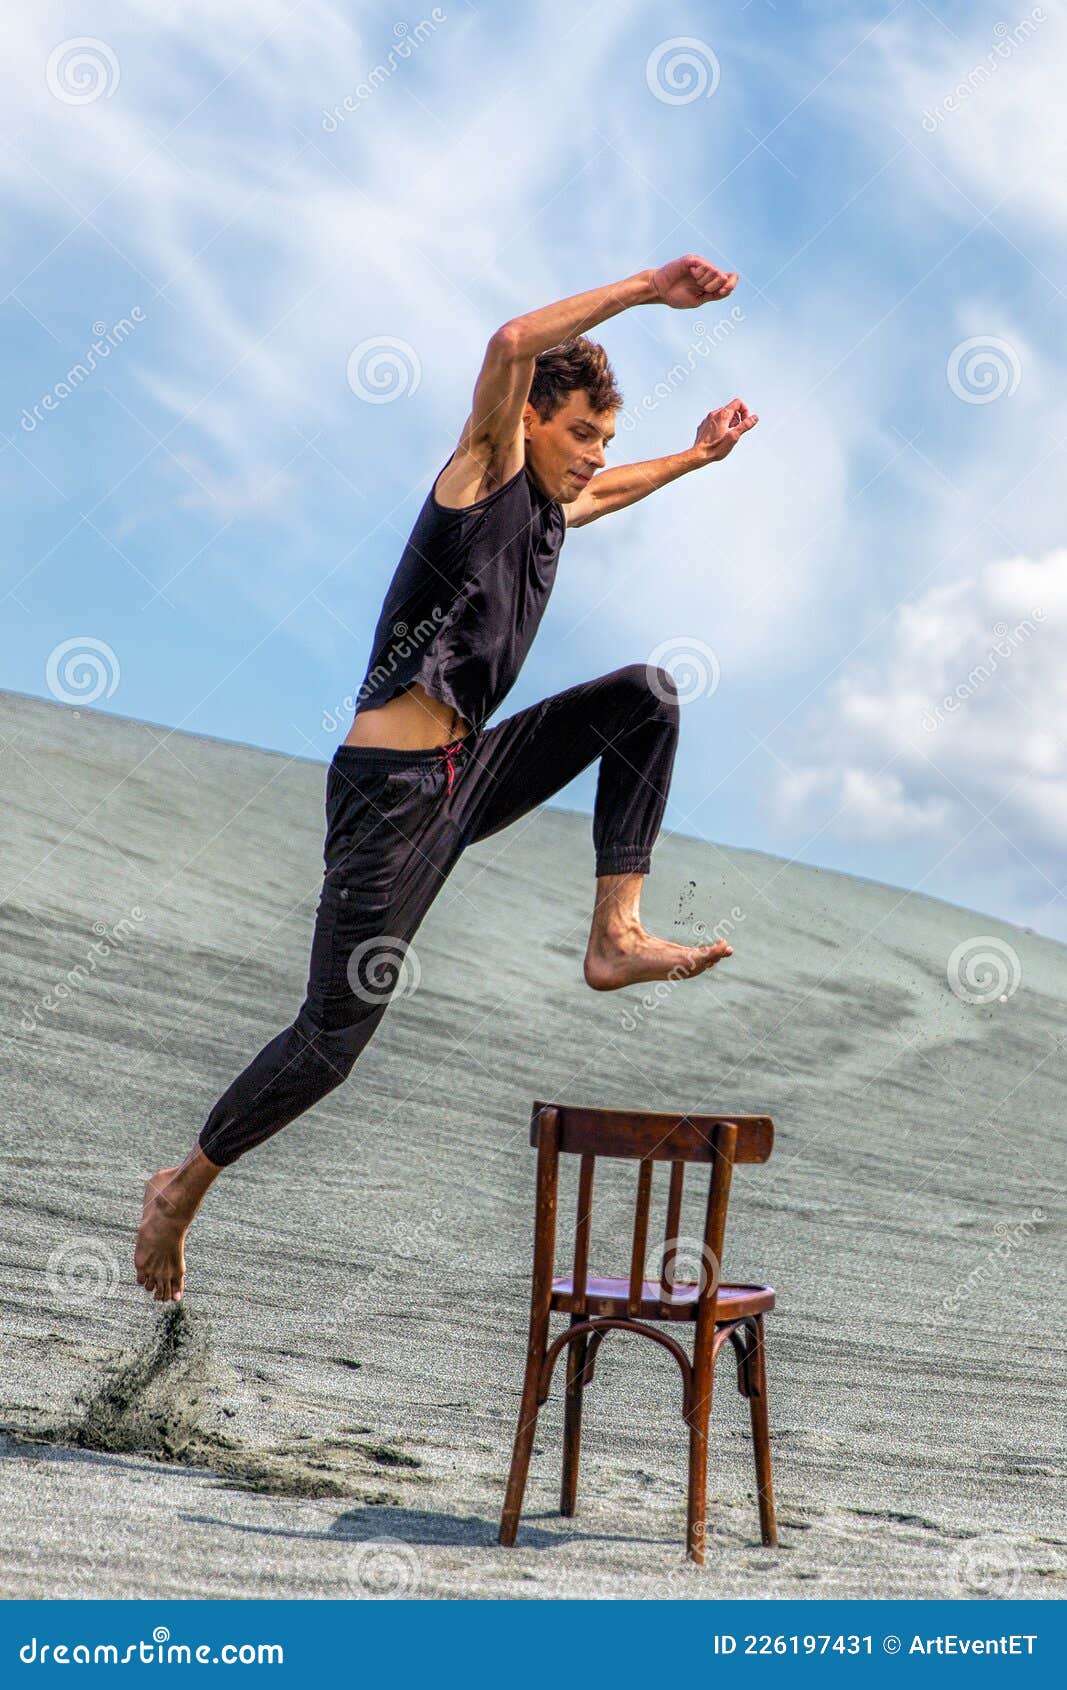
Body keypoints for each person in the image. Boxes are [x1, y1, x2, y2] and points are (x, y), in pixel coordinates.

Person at [135, 254, 759, 1302]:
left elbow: (612, 489)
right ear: (529, 425)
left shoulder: (554, 509)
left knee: (644, 698)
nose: (593, 456)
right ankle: (183, 1184)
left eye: (602, 438)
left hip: (464, 766)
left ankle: (613, 934)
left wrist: (695, 458)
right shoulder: (481, 471)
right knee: (329, 1043)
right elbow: (512, 342)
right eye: (579, 434)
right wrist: (650, 289)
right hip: (390, 793)